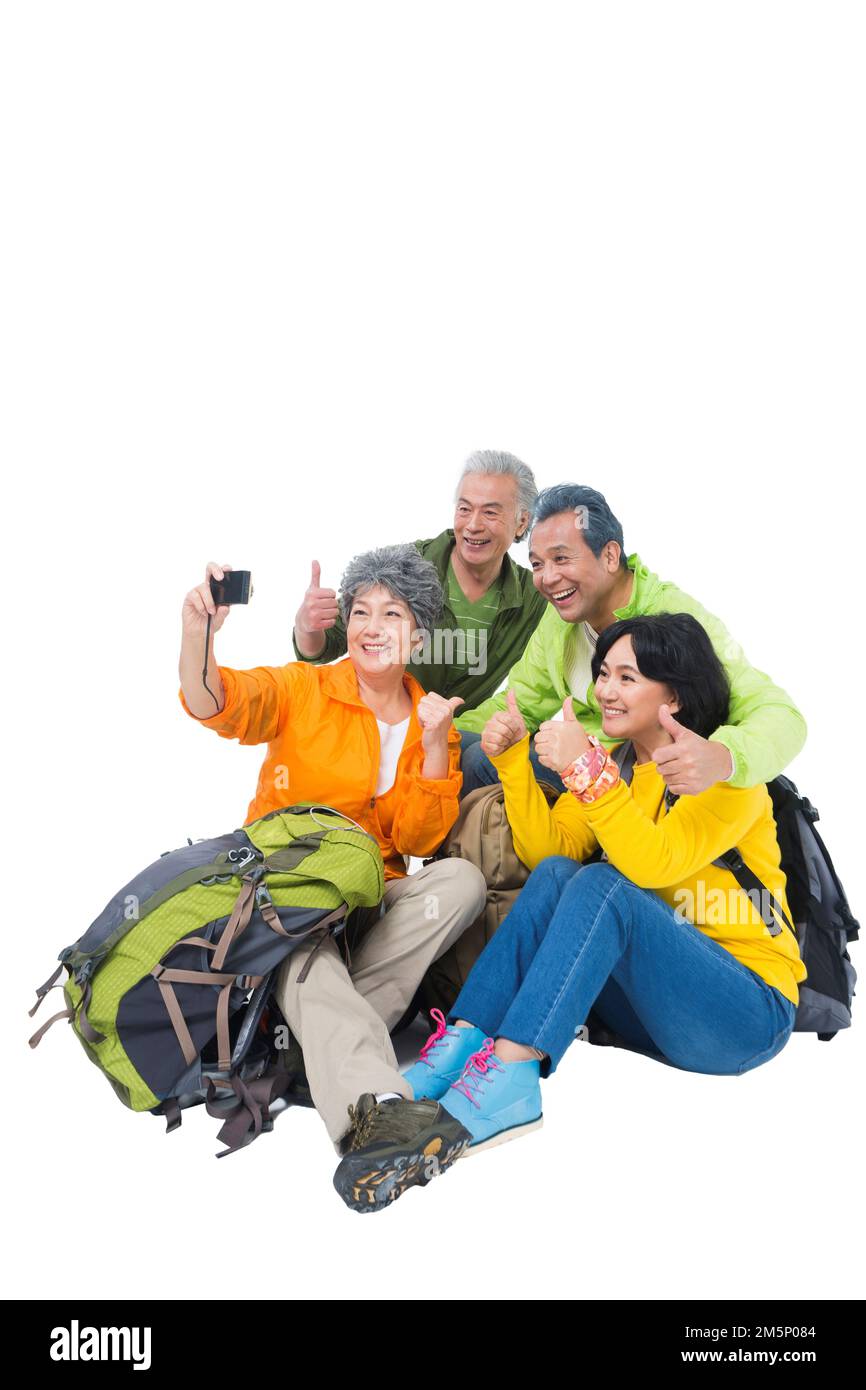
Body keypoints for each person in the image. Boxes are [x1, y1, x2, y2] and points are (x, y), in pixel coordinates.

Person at [398, 612, 807, 1156]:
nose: (606, 692)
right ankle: (464, 1039)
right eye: (604, 674)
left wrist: (587, 772)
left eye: (627, 678)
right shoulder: (614, 764)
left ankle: (514, 1076)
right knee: (561, 875)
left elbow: (653, 865)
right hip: (654, 1009)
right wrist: (516, 763)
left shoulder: (719, 776)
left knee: (602, 885)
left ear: (676, 698)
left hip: (744, 1013)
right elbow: (549, 852)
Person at [178, 545, 487, 1212]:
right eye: (362, 612)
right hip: (289, 898)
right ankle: (376, 1109)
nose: (372, 626)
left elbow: (417, 841)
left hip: (372, 894)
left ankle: (309, 1053)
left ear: (420, 633)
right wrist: (198, 632)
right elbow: (215, 702)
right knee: (299, 948)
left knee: (459, 881)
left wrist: (434, 746)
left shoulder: (432, 721)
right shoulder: (304, 688)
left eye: (392, 614)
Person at [456, 484, 807, 796]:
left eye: (561, 558)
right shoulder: (563, 615)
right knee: (461, 748)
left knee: (479, 761)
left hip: (643, 780)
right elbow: (520, 702)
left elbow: (781, 715)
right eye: (537, 564)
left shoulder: (673, 616)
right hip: (583, 763)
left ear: (610, 556)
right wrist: (437, 733)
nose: (548, 578)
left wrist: (723, 756)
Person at [292, 450, 547, 711]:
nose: (472, 524)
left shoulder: (534, 598)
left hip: (459, 740)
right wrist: (307, 627)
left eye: (490, 513)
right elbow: (324, 645)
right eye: (464, 508)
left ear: (521, 522)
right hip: (382, 726)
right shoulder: (401, 566)